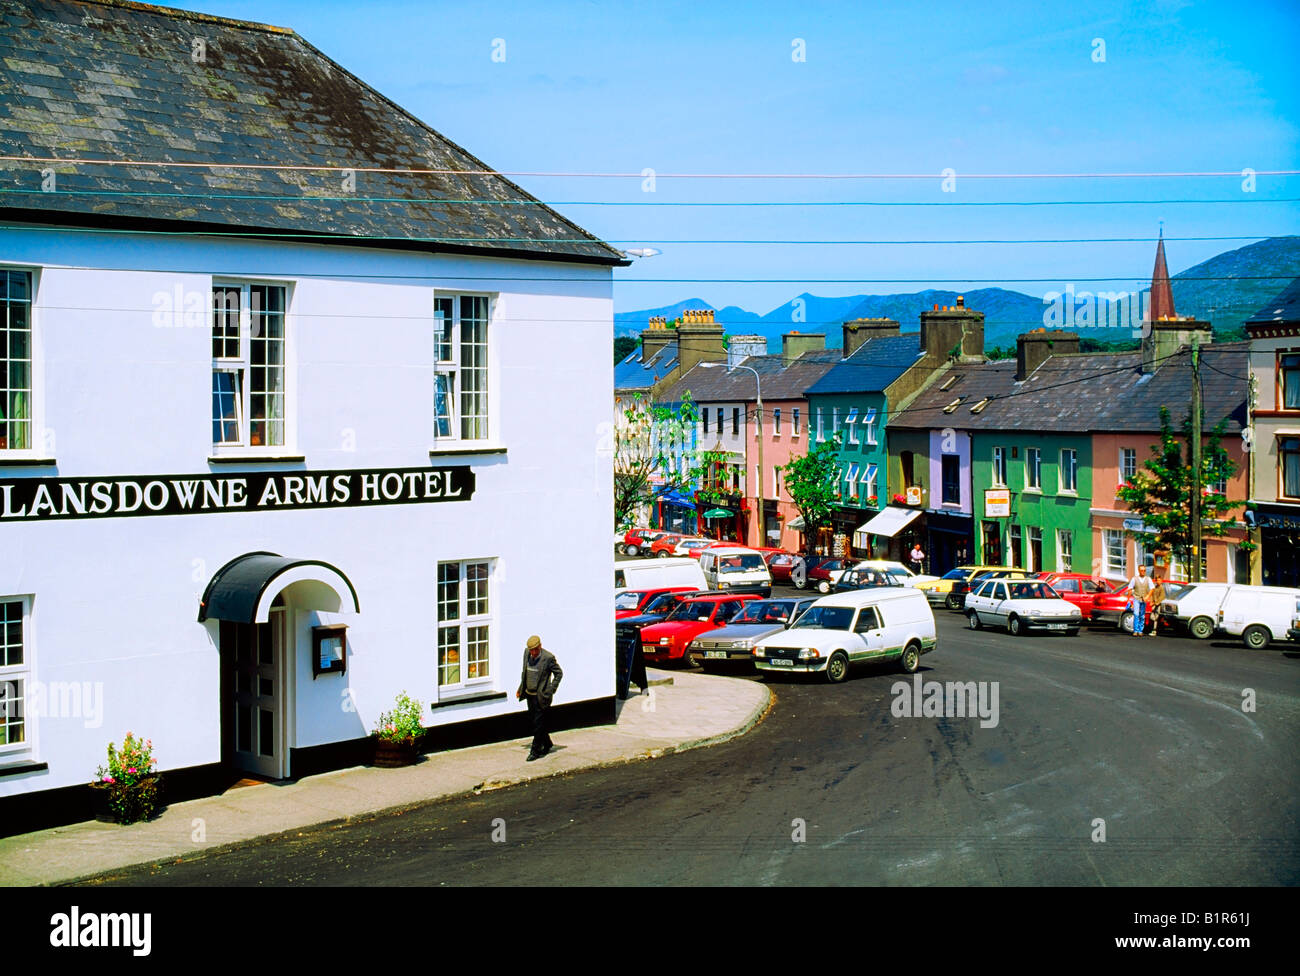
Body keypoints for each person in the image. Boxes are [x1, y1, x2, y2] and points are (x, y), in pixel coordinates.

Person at [516, 635, 562, 761]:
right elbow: (524, 673)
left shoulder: (548, 658)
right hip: (529, 694)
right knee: (535, 722)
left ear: (540, 646)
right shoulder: (526, 653)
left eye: (535, 650)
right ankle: (547, 743)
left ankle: (535, 751)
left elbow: (559, 673)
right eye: (531, 650)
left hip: (541, 697)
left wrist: (551, 689)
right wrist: (520, 689)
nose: (533, 652)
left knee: (537, 724)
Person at [1128, 565, 1154, 636]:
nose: (1143, 572)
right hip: (1136, 598)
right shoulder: (1134, 579)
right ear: (1139, 571)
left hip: (1144, 599)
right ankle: (1135, 630)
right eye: (1141, 570)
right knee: (1136, 614)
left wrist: (1148, 596)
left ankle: (1140, 630)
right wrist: (1129, 600)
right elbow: (1130, 588)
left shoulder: (1148, 579)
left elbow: (1152, 588)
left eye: (1144, 570)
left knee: (1142, 615)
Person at [1147, 572, 1167, 639]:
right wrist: (1151, 601)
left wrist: (1155, 603)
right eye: (1157, 580)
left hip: (1158, 605)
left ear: (1161, 581)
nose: (1158, 581)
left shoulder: (1161, 588)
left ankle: (1154, 631)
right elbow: (1152, 595)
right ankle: (1152, 629)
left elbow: (1162, 597)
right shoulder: (1155, 587)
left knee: (1156, 618)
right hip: (1154, 605)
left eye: (1159, 580)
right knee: (1152, 617)